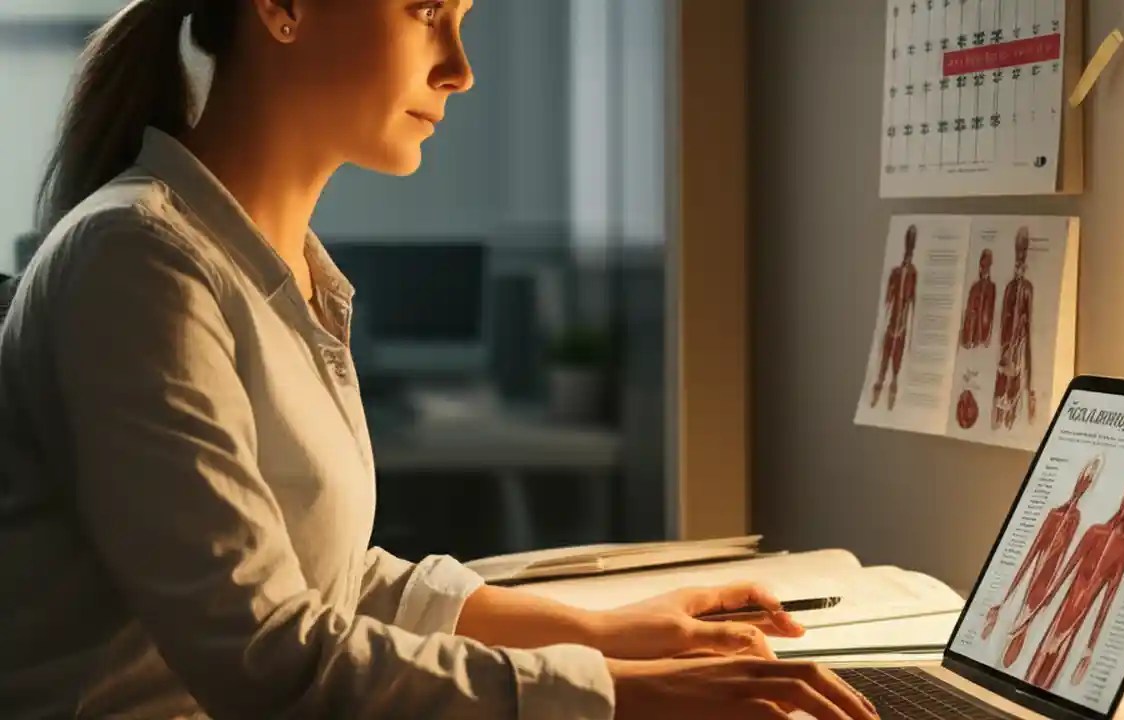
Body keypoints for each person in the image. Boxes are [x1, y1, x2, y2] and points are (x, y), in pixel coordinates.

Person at [0, 1, 877, 719]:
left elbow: (326, 579)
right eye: (426, 12)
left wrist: (612, 632)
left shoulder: (274, 268)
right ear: (282, 8)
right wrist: (620, 694)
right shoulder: (138, 260)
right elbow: (269, 658)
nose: (459, 68)